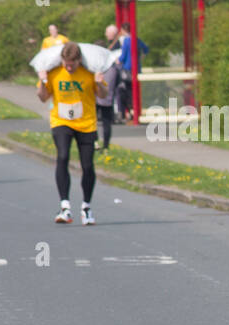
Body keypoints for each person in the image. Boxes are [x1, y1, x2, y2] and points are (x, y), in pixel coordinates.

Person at [37, 42, 108, 225]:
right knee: (62, 156)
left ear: (78, 61)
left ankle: (86, 207)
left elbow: (102, 94)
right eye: (66, 63)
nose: (68, 67)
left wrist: (99, 83)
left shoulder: (89, 72)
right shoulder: (54, 72)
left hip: (86, 123)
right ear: (61, 60)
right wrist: (43, 82)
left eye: (72, 64)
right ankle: (65, 206)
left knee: (87, 165)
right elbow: (43, 97)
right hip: (62, 121)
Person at [95, 27, 122, 150]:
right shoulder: (111, 60)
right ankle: (106, 146)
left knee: (92, 121)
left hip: (95, 95)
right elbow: (117, 77)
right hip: (108, 95)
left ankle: (95, 143)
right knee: (106, 122)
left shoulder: (93, 62)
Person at [117, 22, 148, 122]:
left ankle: (129, 111)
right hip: (136, 69)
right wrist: (140, 58)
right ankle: (134, 110)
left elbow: (123, 55)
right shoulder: (137, 40)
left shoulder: (126, 41)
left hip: (127, 69)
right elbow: (146, 49)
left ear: (123, 30)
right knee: (134, 91)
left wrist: (118, 60)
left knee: (125, 91)